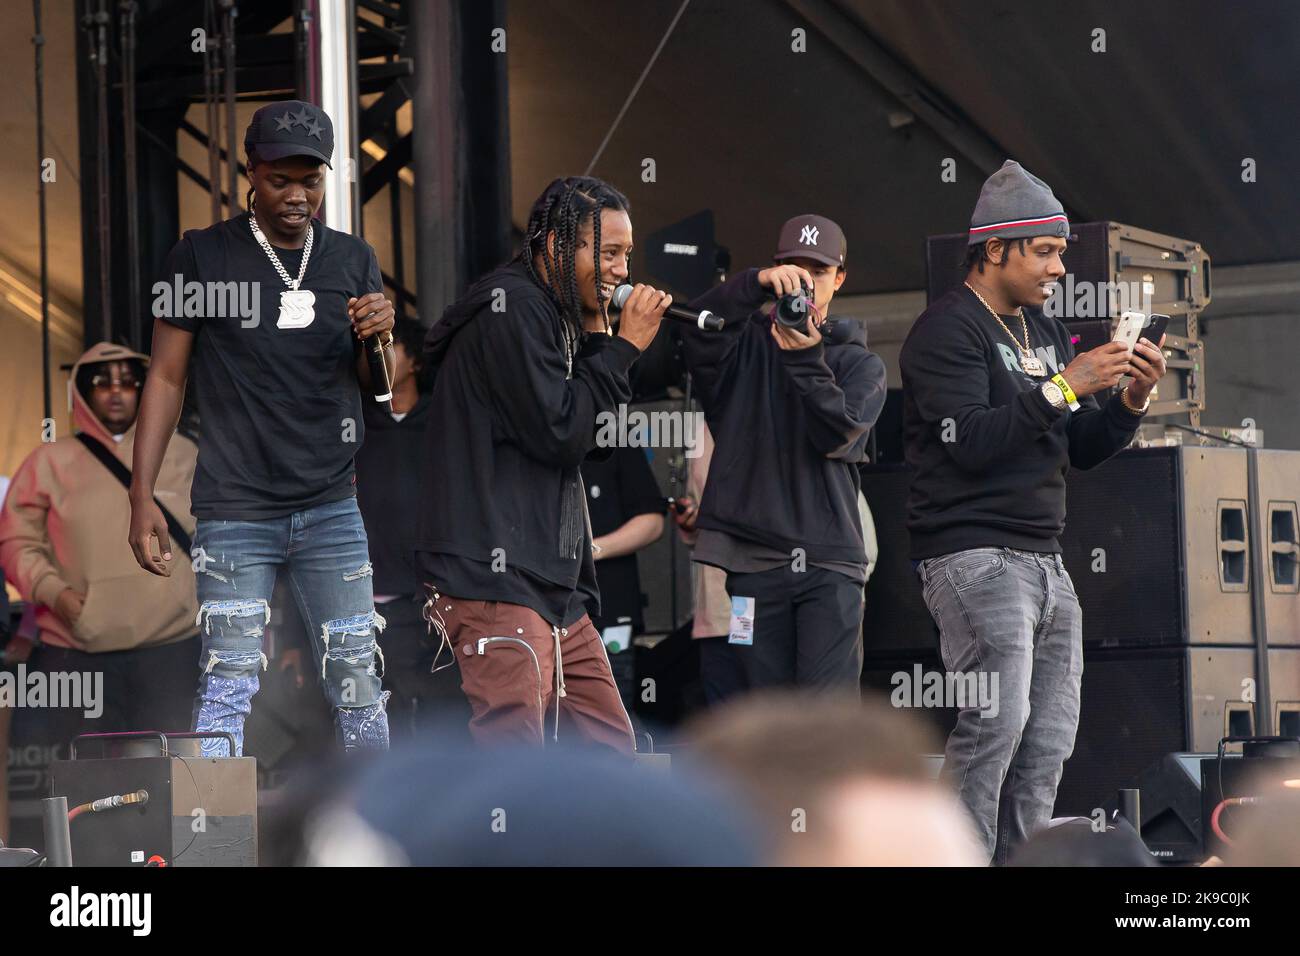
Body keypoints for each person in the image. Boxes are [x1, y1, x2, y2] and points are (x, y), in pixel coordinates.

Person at [899, 159, 1167, 864]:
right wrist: (1064, 386)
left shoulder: (1042, 331)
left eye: (1059, 253)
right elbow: (971, 442)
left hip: (1046, 562)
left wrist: (1128, 403)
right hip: (973, 557)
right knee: (994, 725)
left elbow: (1078, 446)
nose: (1057, 268)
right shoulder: (944, 331)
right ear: (995, 249)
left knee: (1048, 738)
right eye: (1044, 252)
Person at [128, 101, 396, 756]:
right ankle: (210, 844)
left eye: (311, 179)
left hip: (333, 507)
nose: (298, 195)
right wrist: (141, 497)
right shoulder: (198, 256)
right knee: (229, 680)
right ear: (251, 170)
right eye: (281, 180)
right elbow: (165, 377)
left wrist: (379, 338)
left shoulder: (352, 258)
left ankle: (383, 842)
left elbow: (377, 388)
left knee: (358, 678)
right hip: (235, 508)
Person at [415, 175, 670, 752]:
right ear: (558, 247)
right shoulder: (515, 308)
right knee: (517, 756)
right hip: (495, 573)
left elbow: (596, 439)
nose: (621, 271)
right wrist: (625, 348)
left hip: (549, 579)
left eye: (626, 255)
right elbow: (558, 432)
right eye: (607, 252)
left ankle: (593, 846)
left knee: (607, 751)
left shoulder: (558, 315)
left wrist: (605, 344)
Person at [680, 215, 887, 691]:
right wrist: (752, 285)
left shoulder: (859, 362)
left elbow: (838, 435)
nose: (804, 284)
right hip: (749, 565)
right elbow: (693, 329)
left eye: (815, 272)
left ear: (838, 279)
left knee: (825, 718)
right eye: (792, 270)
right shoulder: (740, 346)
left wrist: (803, 358)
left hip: (830, 565)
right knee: (760, 714)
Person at [0, 342, 200, 749]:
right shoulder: (48, 462)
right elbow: (16, 540)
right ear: (81, 392)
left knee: (174, 777)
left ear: (146, 388)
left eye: (128, 383)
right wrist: (55, 594)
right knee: (88, 781)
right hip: (79, 652)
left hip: (172, 649)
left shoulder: (185, 453)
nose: (115, 391)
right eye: (100, 383)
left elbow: (221, 535)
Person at [354, 318, 469, 740]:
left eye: (390, 344)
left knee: (452, 721)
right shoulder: (356, 427)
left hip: (442, 599)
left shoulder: (446, 422)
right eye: (373, 347)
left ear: (417, 360)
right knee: (385, 723)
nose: (380, 354)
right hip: (377, 605)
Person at [579, 445, 664, 714]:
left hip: (609, 612)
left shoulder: (616, 438)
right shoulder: (529, 437)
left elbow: (652, 521)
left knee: (612, 722)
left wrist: (589, 551)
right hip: (542, 613)